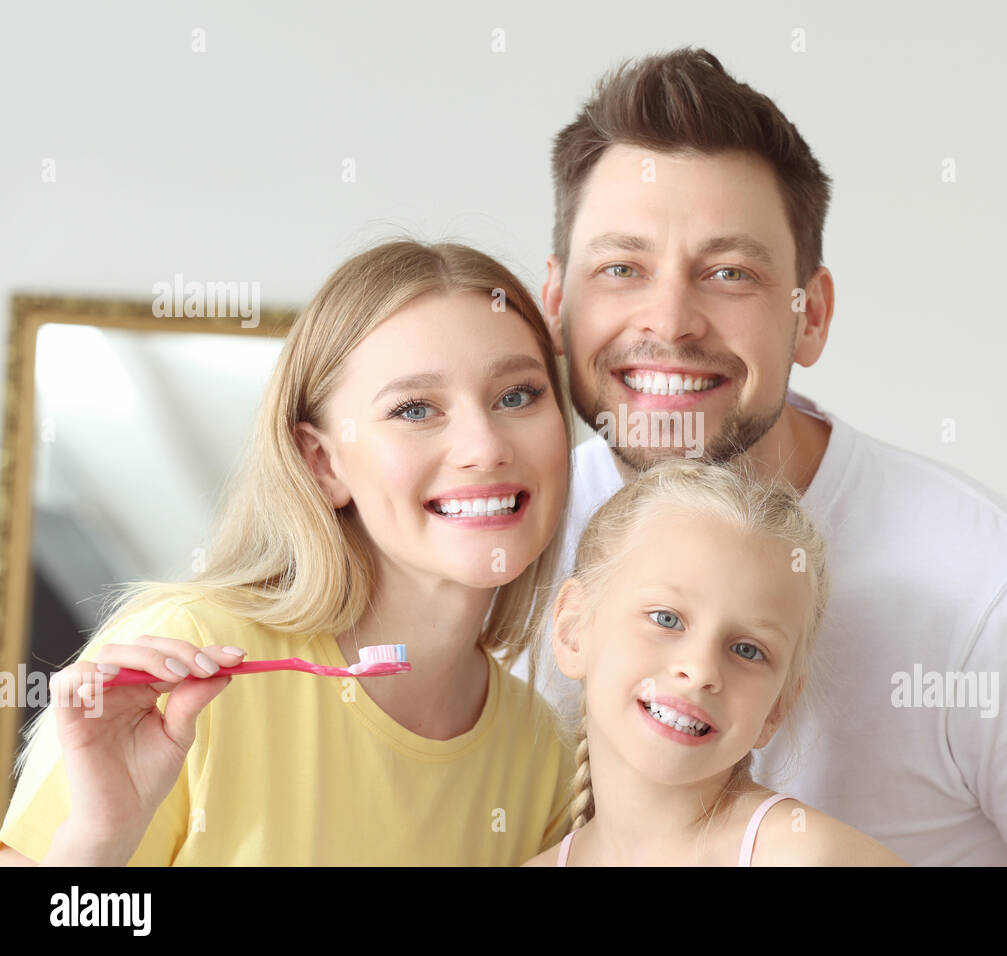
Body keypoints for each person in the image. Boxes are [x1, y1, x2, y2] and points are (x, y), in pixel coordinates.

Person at [509, 47, 1007, 866]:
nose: (670, 321)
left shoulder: (998, 598)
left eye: (729, 272)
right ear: (558, 303)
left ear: (809, 315)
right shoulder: (504, 551)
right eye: (621, 268)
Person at [0, 240, 577, 865]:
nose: (484, 445)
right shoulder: (186, 664)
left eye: (517, 395)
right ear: (322, 462)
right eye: (415, 409)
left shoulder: (541, 753)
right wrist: (97, 844)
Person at [522, 459, 905, 866]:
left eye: (747, 650)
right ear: (573, 630)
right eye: (666, 619)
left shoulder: (813, 858)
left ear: (777, 707)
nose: (702, 670)